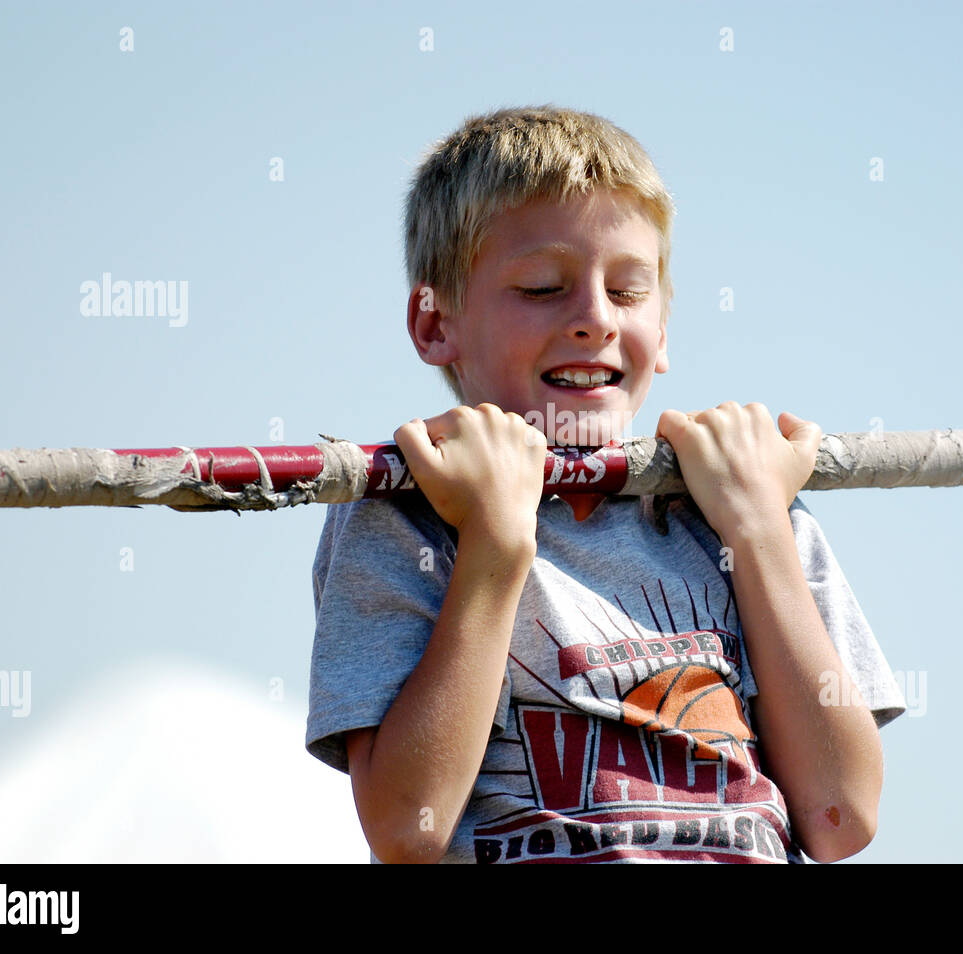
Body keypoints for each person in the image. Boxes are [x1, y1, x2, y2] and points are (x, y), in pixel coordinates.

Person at [306, 104, 906, 864]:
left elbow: (840, 813)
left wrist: (758, 530)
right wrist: (493, 543)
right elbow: (408, 828)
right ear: (434, 324)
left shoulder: (746, 502)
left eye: (627, 292)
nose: (594, 319)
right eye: (541, 288)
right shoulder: (405, 513)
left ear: (665, 327)